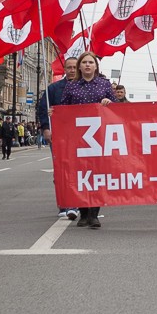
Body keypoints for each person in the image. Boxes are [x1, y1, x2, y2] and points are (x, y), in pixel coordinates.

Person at [60, 51, 116, 229]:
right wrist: (55, 114)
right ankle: (83, 212)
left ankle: (94, 213)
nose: (87, 65)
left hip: (99, 136)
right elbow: (63, 108)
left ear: (95, 66)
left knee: (98, 174)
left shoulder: (104, 85)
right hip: (77, 137)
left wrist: (109, 102)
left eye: (91, 62)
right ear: (80, 67)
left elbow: (117, 109)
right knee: (81, 175)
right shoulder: (72, 86)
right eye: (84, 63)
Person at [38, 55, 78, 220]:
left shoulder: (85, 88)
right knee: (62, 170)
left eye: (75, 67)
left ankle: (77, 203)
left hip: (80, 135)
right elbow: (42, 109)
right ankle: (64, 203)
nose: (72, 70)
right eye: (69, 67)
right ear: (65, 69)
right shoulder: (53, 89)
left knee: (78, 169)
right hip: (59, 135)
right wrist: (46, 128)